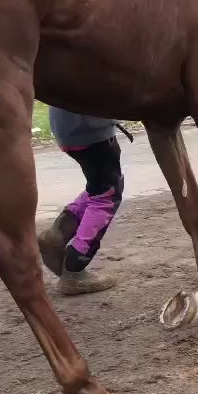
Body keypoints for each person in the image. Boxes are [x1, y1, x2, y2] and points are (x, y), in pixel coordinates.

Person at [37, 108, 126, 295]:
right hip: (90, 129)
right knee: (106, 196)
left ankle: (56, 235)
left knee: (100, 188)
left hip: (67, 128)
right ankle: (74, 270)